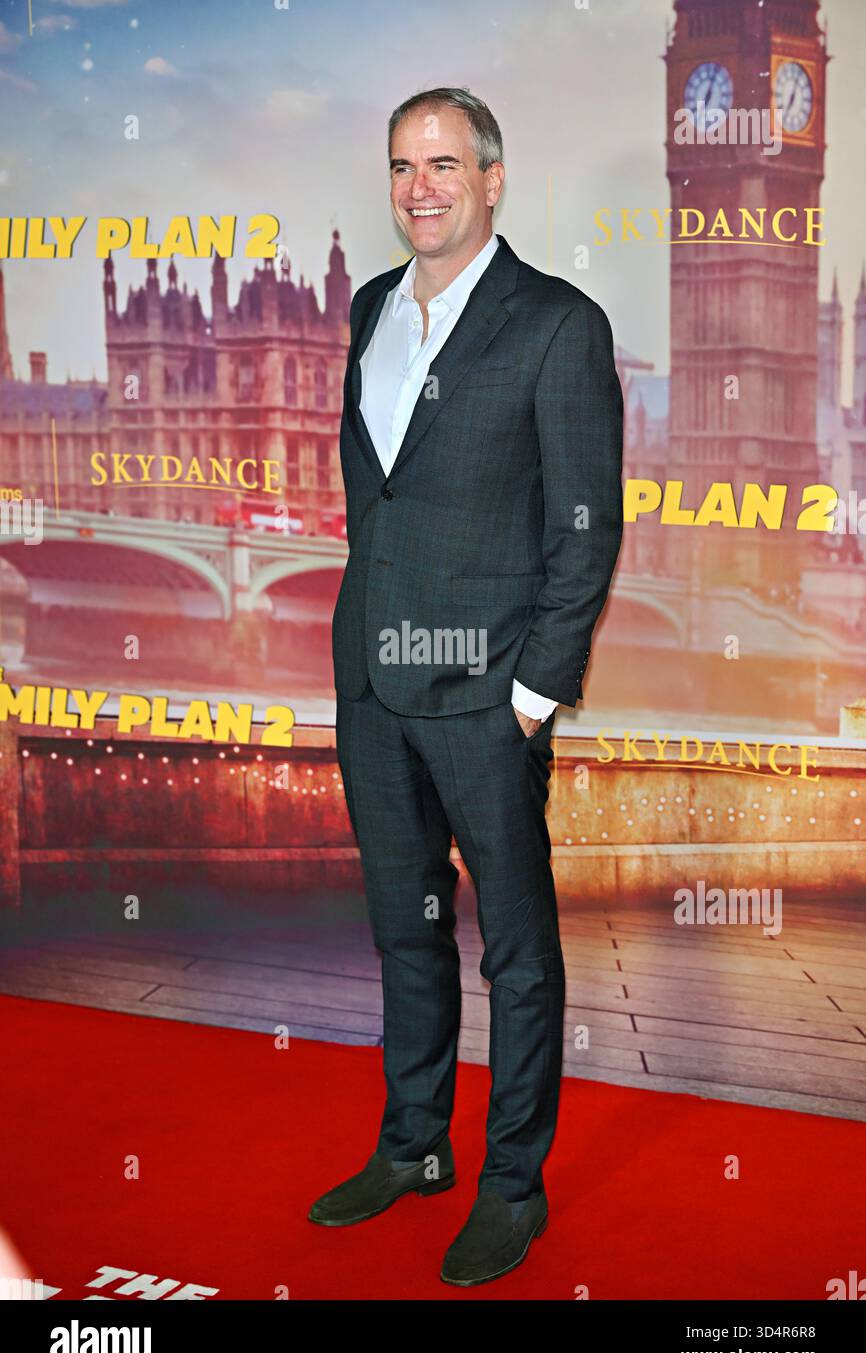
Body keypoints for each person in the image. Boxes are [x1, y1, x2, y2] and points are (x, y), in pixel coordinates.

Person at [310, 86, 623, 1287]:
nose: (419, 186)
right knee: (405, 930)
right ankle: (411, 1147)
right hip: (372, 687)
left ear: (492, 178)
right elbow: (379, 502)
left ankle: (509, 1186)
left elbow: (583, 524)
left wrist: (533, 694)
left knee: (518, 954)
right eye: (401, 165)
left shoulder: (555, 322)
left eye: (443, 163)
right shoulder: (366, 309)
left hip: (486, 692)